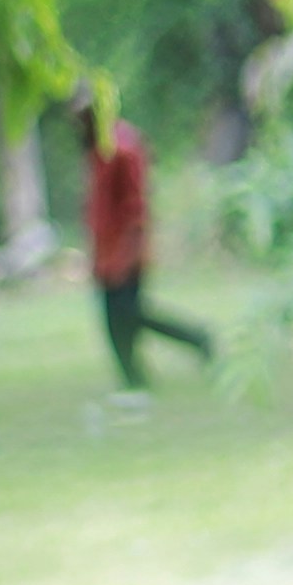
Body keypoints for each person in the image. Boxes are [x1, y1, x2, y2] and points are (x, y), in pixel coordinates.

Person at [77, 93, 214, 392]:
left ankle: (197, 339)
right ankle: (134, 380)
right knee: (117, 319)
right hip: (106, 250)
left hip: (125, 251)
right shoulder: (99, 147)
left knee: (129, 315)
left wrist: (131, 251)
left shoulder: (122, 147)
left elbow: (136, 205)